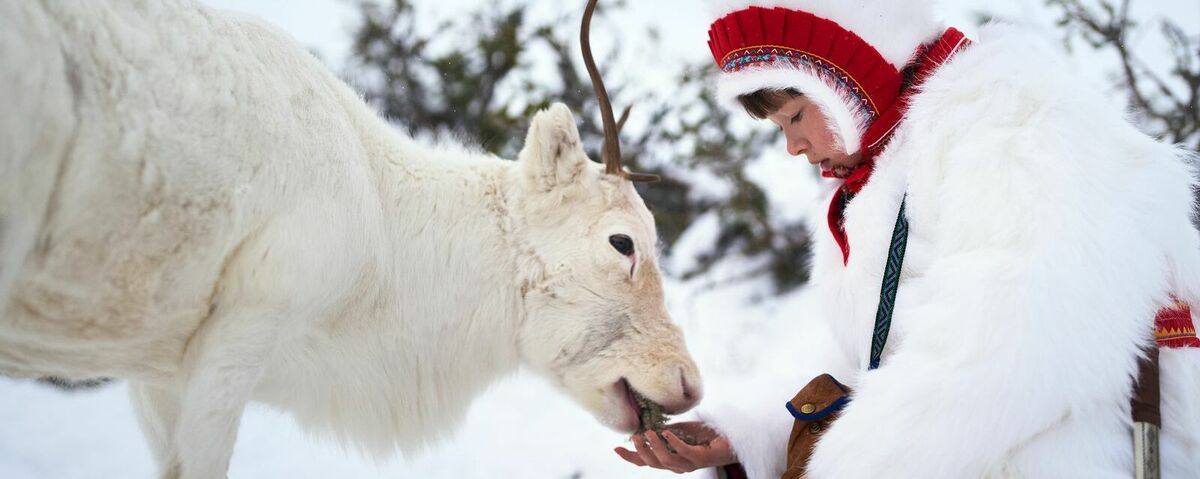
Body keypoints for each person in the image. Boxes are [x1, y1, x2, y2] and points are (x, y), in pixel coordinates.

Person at [615, 1, 1200, 477]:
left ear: (846, 73)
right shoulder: (888, 172)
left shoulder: (1009, 123)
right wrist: (750, 436)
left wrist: (840, 465)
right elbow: (875, 364)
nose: (793, 146)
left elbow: (1009, 356)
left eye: (795, 115)